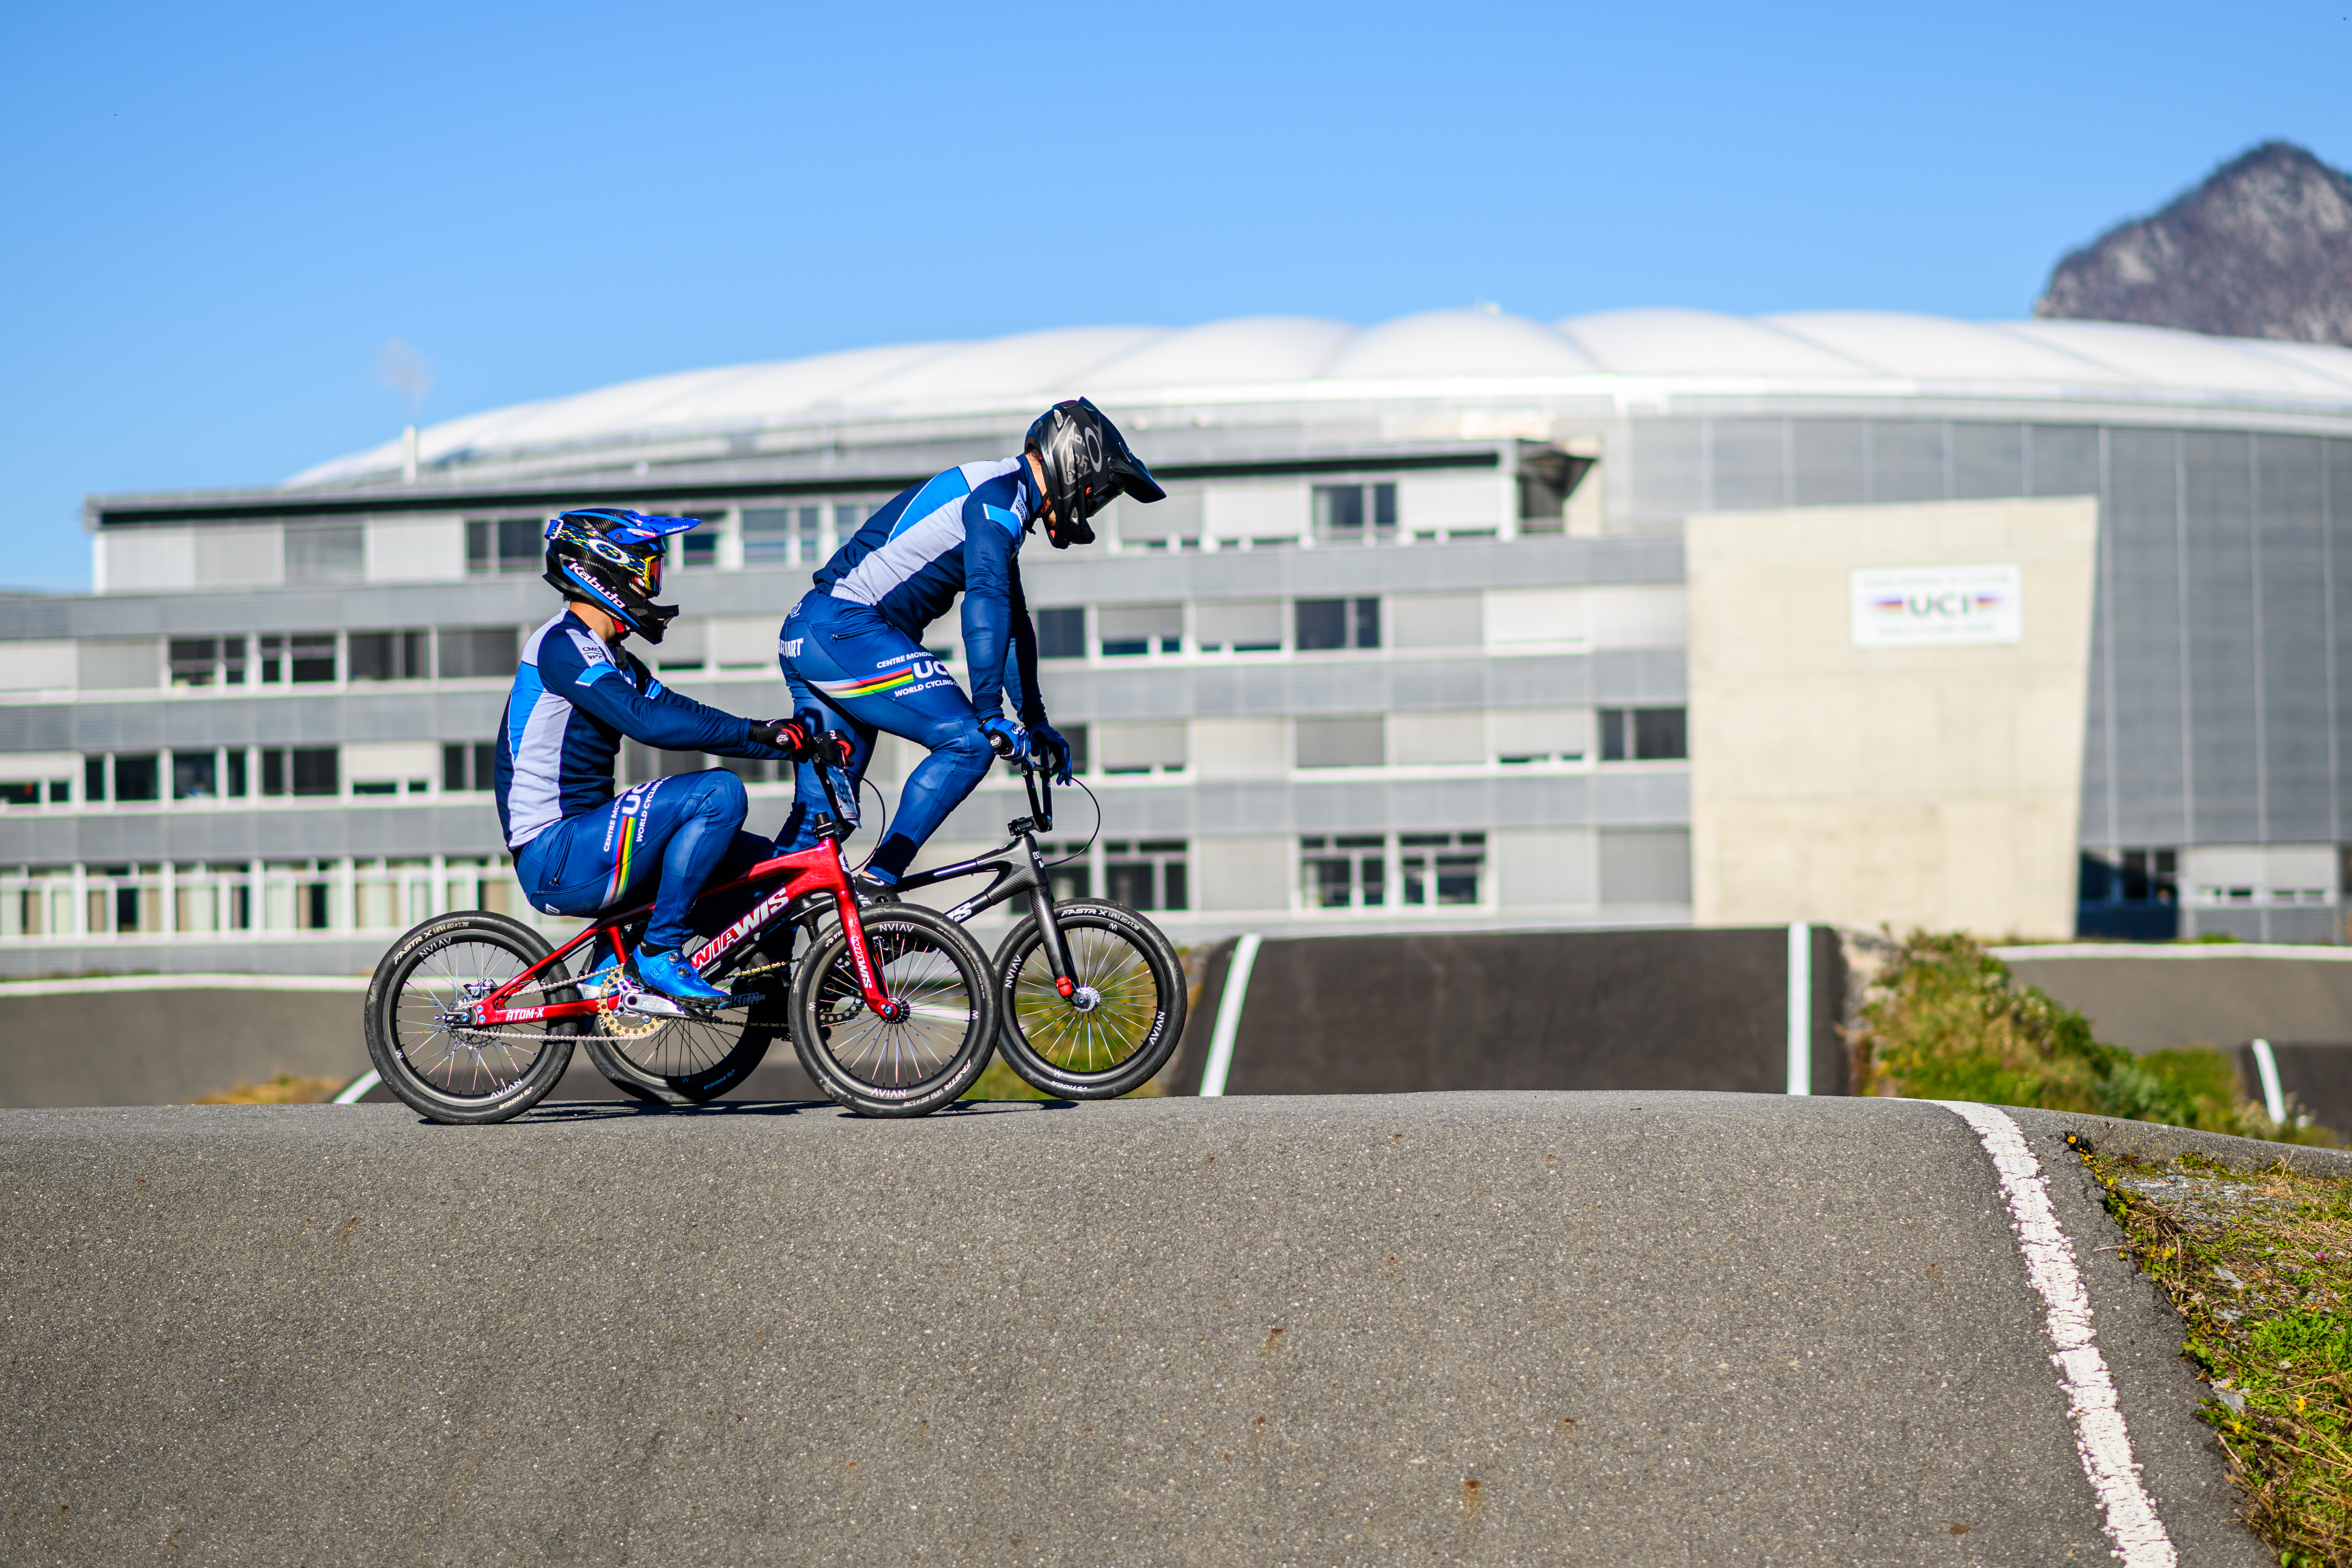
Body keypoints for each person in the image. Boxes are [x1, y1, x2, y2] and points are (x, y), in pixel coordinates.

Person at [775, 398, 1164, 899]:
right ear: (1074, 463)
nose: (1093, 507)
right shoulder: (997, 500)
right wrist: (988, 713)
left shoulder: (1005, 499)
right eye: (1099, 494)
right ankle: (879, 880)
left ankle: (745, 964)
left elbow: (1012, 625)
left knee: (820, 831)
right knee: (968, 742)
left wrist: (1035, 719)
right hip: (842, 628)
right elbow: (986, 604)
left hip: (820, 632)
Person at [495, 508, 815, 1002]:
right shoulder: (563, 646)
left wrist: (783, 740)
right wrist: (757, 733)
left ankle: (764, 991)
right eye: (647, 569)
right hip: (555, 855)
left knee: (777, 870)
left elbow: (683, 714)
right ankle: (660, 950)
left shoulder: (613, 655)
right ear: (604, 569)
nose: (652, 585)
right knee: (719, 792)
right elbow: (648, 722)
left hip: (591, 841)